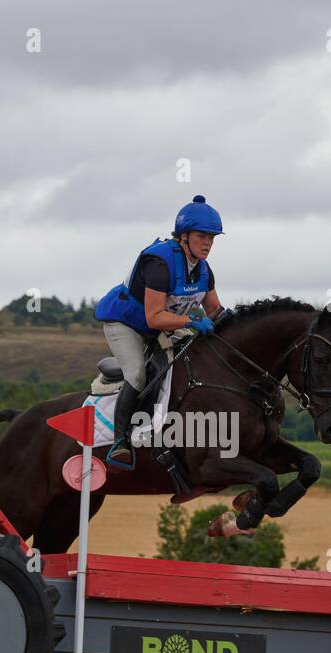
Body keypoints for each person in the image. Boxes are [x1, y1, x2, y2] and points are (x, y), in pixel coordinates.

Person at [94, 195, 232, 466]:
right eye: (202, 236)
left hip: (163, 323)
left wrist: (238, 323)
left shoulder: (203, 270)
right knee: (136, 373)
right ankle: (121, 441)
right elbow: (154, 317)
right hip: (127, 323)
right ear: (183, 236)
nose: (208, 243)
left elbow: (215, 311)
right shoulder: (160, 263)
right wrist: (192, 322)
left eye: (212, 237)